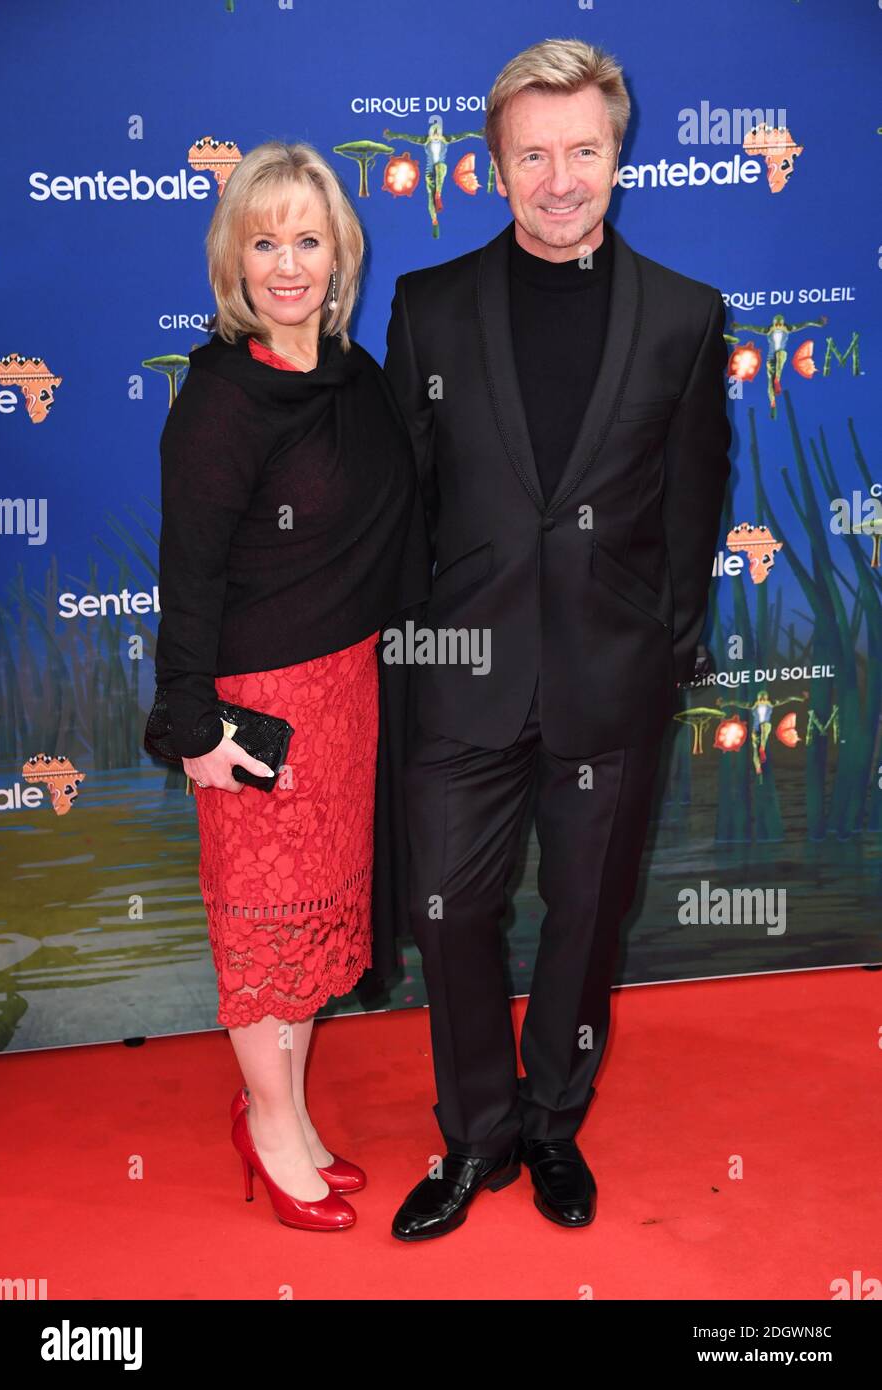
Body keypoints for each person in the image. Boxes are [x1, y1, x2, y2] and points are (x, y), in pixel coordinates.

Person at [385, 38, 732, 1239]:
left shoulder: (686, 317)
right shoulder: (427, 308)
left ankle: (550, 1124)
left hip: (610, 683)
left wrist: (661, 654)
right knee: (449, 912)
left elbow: (693, 510)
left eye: (582, 149)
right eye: (534, 154)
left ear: (617, 155)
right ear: (494, 164)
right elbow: (404, 511)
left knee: (587, 921)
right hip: (458, 681)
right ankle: (474, 1136)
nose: (560, 176)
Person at [155, 140, 428, 1233]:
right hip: (253, 706)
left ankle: (287, 1110)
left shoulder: (354, 377)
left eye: (307, 240)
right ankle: (269, 1129)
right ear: (233, 258)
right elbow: (188, 570)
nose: (286, 263)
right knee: (265, 932)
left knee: (313, 927)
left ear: (339, 255)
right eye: (263, 241)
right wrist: (190, 723)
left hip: (347, 692)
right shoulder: (220, 396)